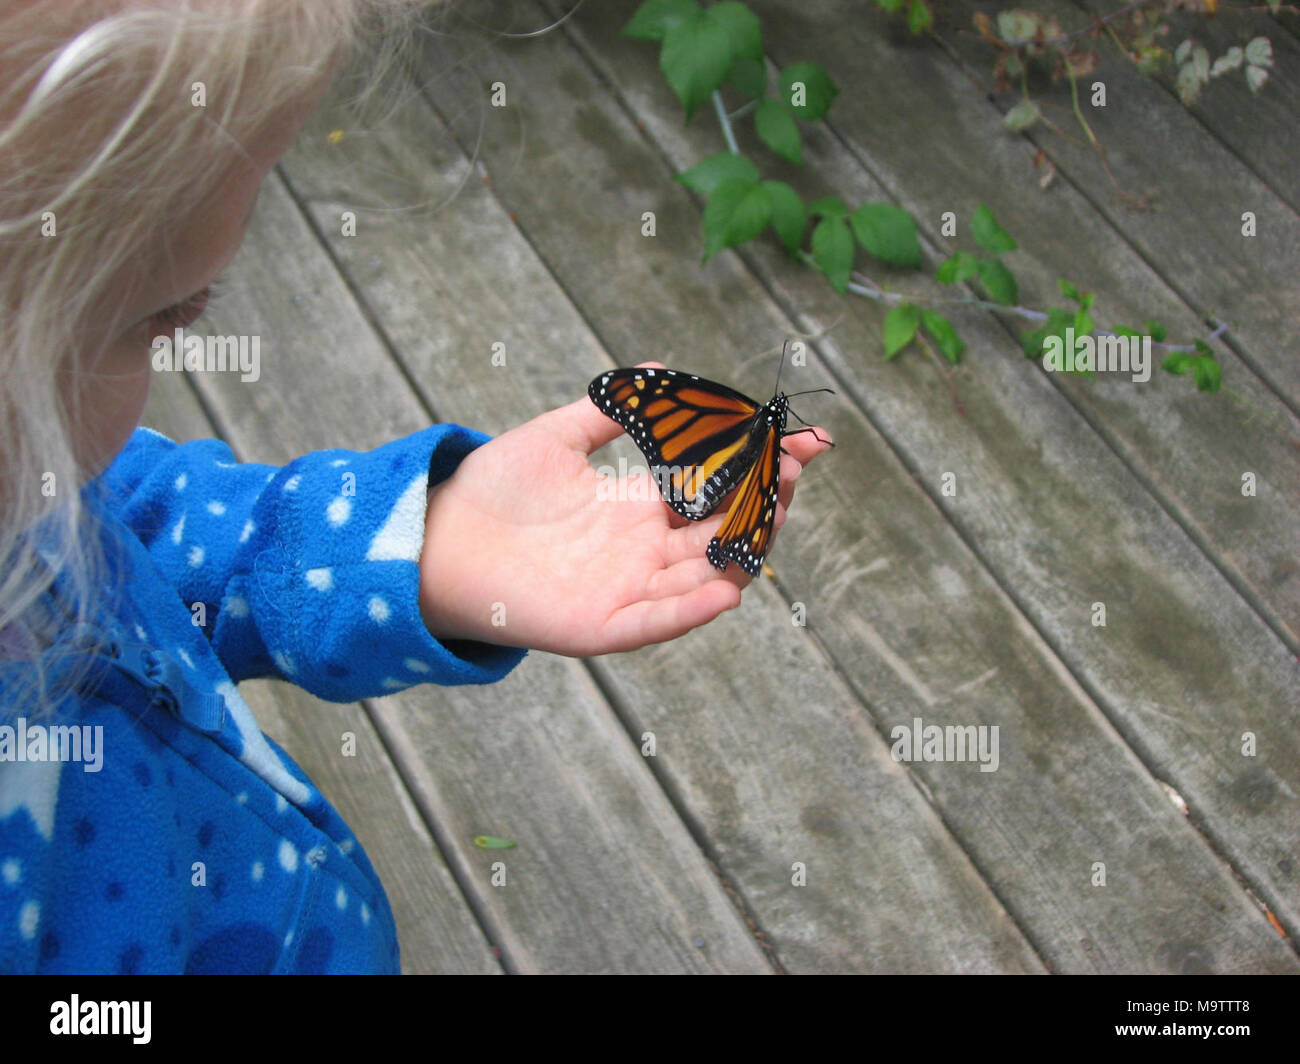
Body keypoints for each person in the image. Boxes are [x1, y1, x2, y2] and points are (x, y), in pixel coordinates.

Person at [0, 0, 830, 973]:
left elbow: (136, 523)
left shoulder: (41, 485)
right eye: (148, 322)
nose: (167, 352)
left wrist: (407, 539)